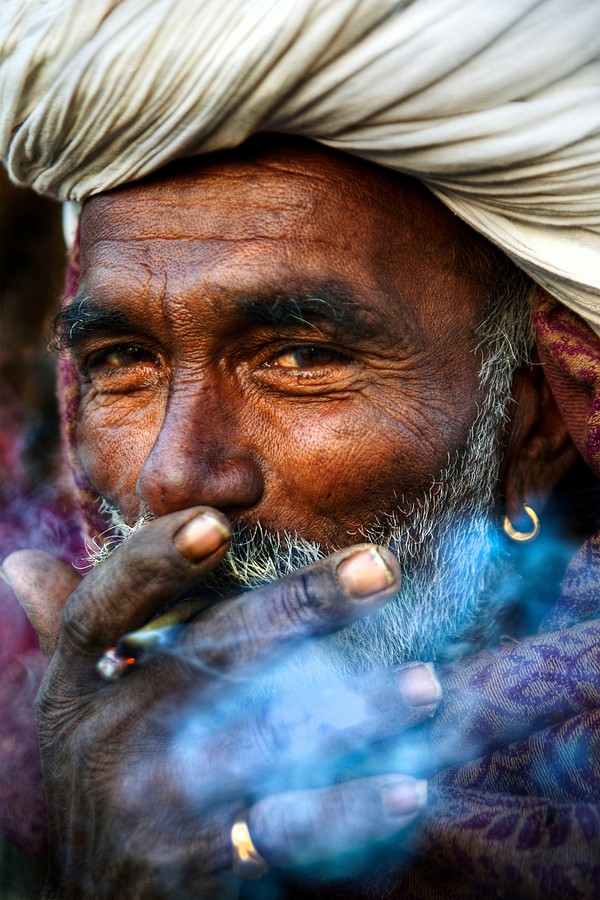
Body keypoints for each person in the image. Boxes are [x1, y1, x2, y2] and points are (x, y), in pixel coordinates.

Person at [1, 1, 600, 898]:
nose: (175, 477)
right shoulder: (29, 763)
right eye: (122, 361)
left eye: (300, 358)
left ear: (532, 424)